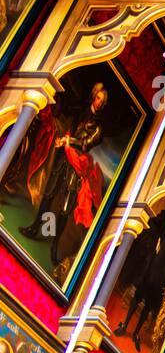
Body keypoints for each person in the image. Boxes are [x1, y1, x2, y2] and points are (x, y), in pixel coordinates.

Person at [20, 82, 109, 267]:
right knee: (48, 194)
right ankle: (36, 228)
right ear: (94, 96)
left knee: (65, 207)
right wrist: (63, 140)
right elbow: (68, 124)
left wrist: (69, 140)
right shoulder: (80, 111)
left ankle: (54, 246)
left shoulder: (99, 126)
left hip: (77, 167)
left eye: (103, 101)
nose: (99, 103)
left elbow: (86, 144)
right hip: (63, 159)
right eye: (98, 98)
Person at [115, 199, 165, 352]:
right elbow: (153, 229)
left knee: (148, 304)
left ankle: (136, 333)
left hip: (161, 271)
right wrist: (157, 243)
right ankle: (125, 325)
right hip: (151, 265)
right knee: (138, 296)